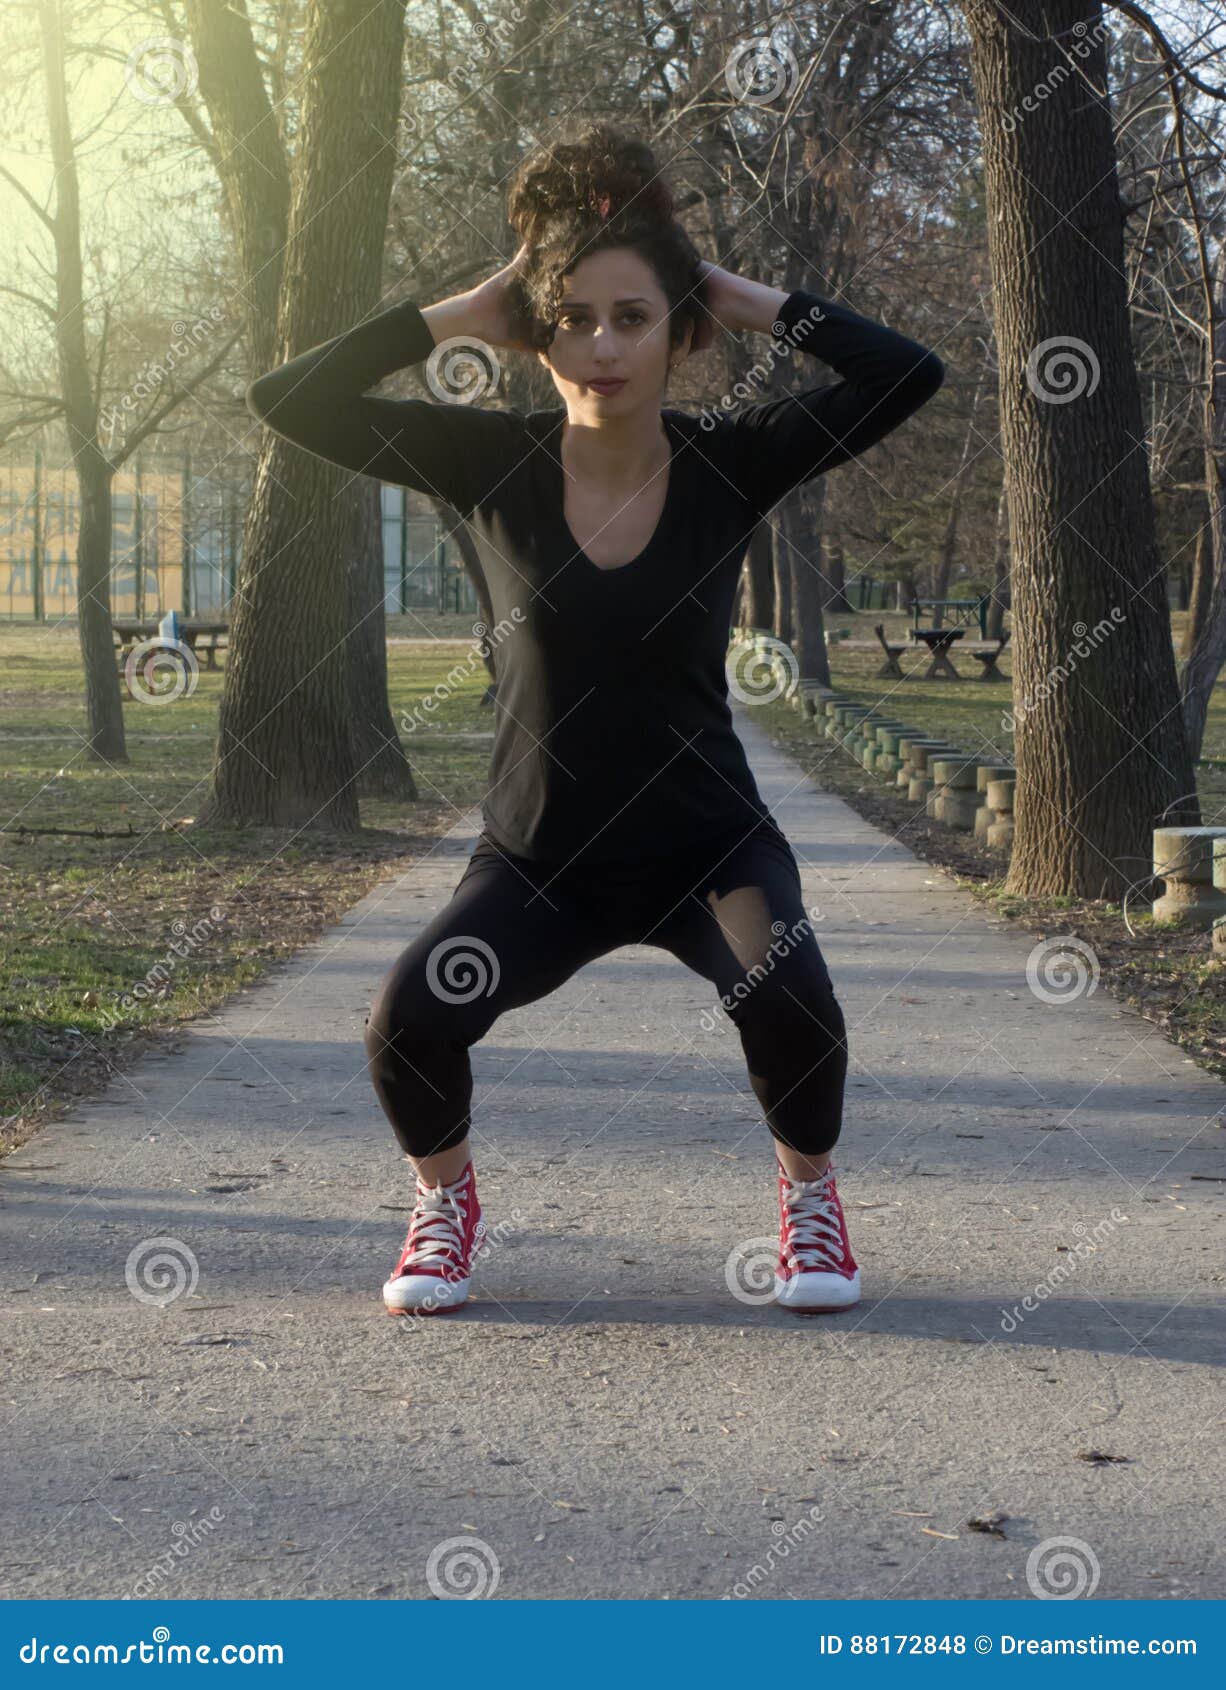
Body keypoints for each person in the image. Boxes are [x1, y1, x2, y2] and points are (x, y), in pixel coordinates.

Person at [245, 121, 945, 1320]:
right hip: (541, 859)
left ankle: (808, 1192)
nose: (601, 344)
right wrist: (461, 311)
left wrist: (738, 294)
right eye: (570, 316)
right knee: (407, 1018)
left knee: (790, 995)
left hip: (705, 850)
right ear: (535, 331)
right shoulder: (486, 463)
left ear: (678, 333)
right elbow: (288, 397)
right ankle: (443, 1202)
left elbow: (905, 375)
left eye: (633, 317)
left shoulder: (732, 464)